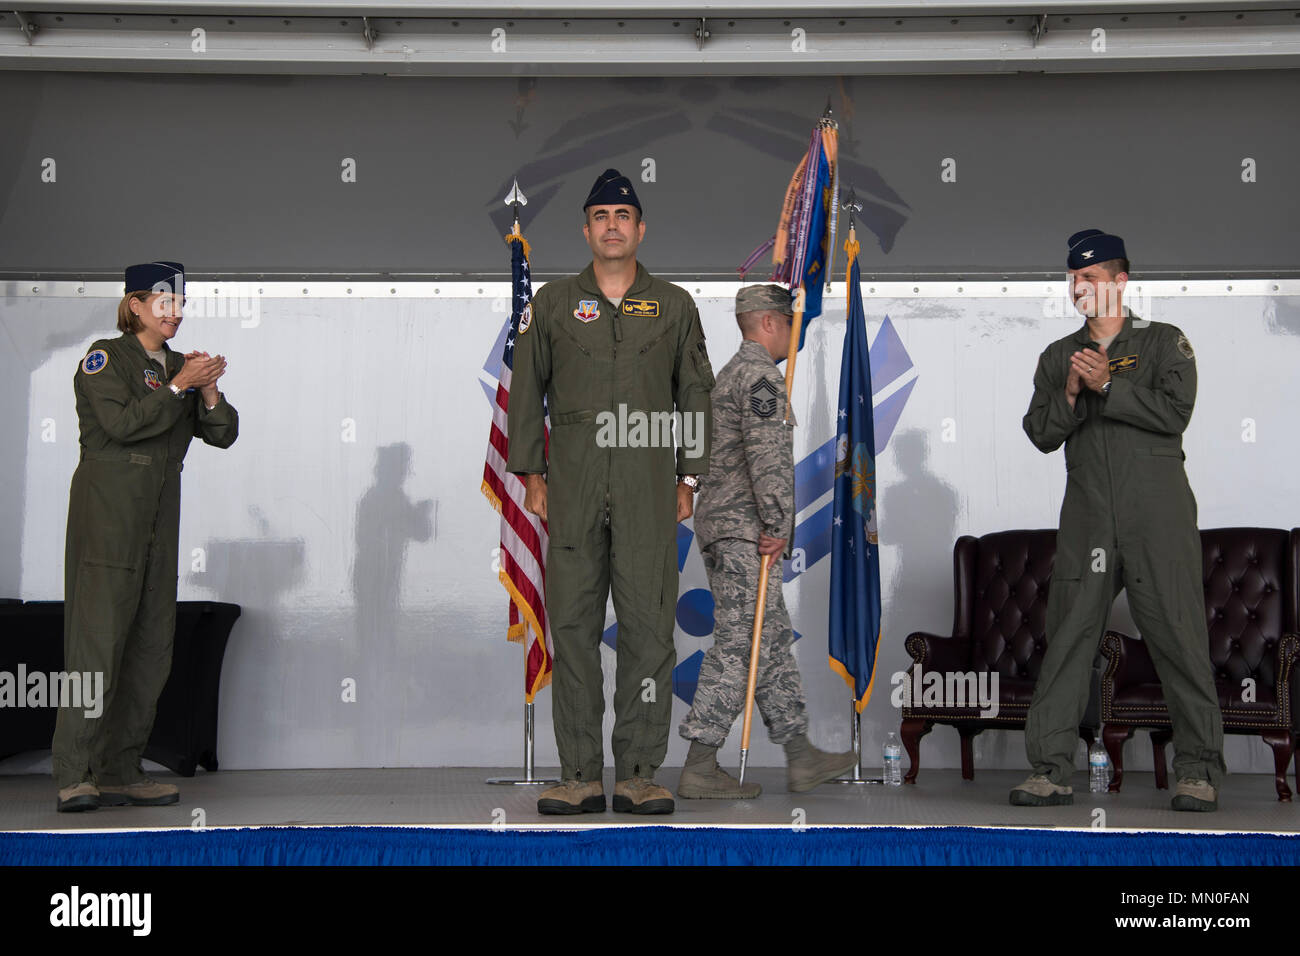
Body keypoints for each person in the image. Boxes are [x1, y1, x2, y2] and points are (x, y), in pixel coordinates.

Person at [508, 169, 714, 815]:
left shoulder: (674, 305)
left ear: (640, 228)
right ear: (587, 229)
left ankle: (639, 773)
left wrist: (690, 476)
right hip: (571, 482)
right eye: (600, 215)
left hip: (649, 483)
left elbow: (695, 392)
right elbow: (525, 389)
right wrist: (532, 474)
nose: (612, 225)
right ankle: (577, 774)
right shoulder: (553, 303)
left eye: (622, 215)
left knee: (649, 631)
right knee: (570, 626)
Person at [1012, 230, 1225, 812]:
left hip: (1157, 515)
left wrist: (1111, 385)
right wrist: (1075, 393)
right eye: (1073, 279)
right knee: (1069, 638)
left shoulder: (1163, 342)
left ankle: (1198, 771)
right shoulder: (1059, 356)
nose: (1079, 288)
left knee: (1178, 635)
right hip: (1088, 518)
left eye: (1091, 278)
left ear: (1121, 281)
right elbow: (1039, 434)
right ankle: (1051, 770)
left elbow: (1175, 415)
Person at [53, 261, 239, 812]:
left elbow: (223, 435)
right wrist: (182, 384)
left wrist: (207, 390)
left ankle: (119, 768)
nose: (176, 312)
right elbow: (122, 425)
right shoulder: (106, 357)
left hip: (160, 517)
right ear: (136, 305)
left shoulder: (183, 365)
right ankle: (74, 772)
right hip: (109, 516)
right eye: (165, 302)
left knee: (151, 647)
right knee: (97, 643)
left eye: (181, 302)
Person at [678, 284, 857, 799]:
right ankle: (700, 762)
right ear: (770, 323)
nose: (795, 335)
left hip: (729, 528)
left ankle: (800, 756)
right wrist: (779, 523)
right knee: (740, 645)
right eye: (791, 323)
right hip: (746, 532)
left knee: (769, 641)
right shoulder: (760, 378)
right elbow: (767, 458)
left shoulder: (731, 375)